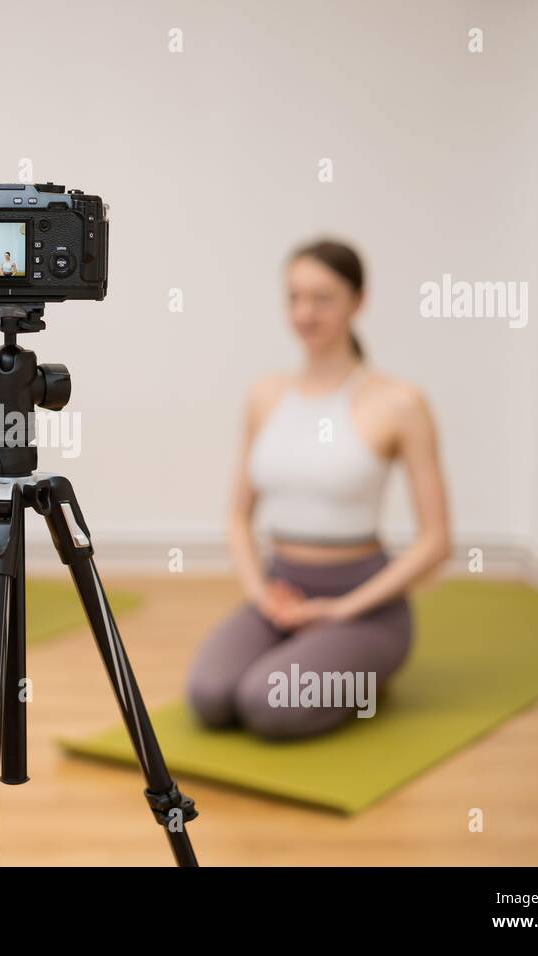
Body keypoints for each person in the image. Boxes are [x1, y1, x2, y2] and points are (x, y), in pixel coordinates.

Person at [186, 239, 451, 739]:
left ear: (358, 301)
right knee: (211, 697)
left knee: (266, 704)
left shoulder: (400, 402)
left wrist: (340, 610)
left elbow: (437, 542)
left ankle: (366, 671)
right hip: (281, 592)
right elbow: (237, 517)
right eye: (294, 298)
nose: (305, 313)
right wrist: (261, 595)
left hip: (365, 604)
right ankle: (317, 659)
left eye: (322, 298)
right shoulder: (265, 395)